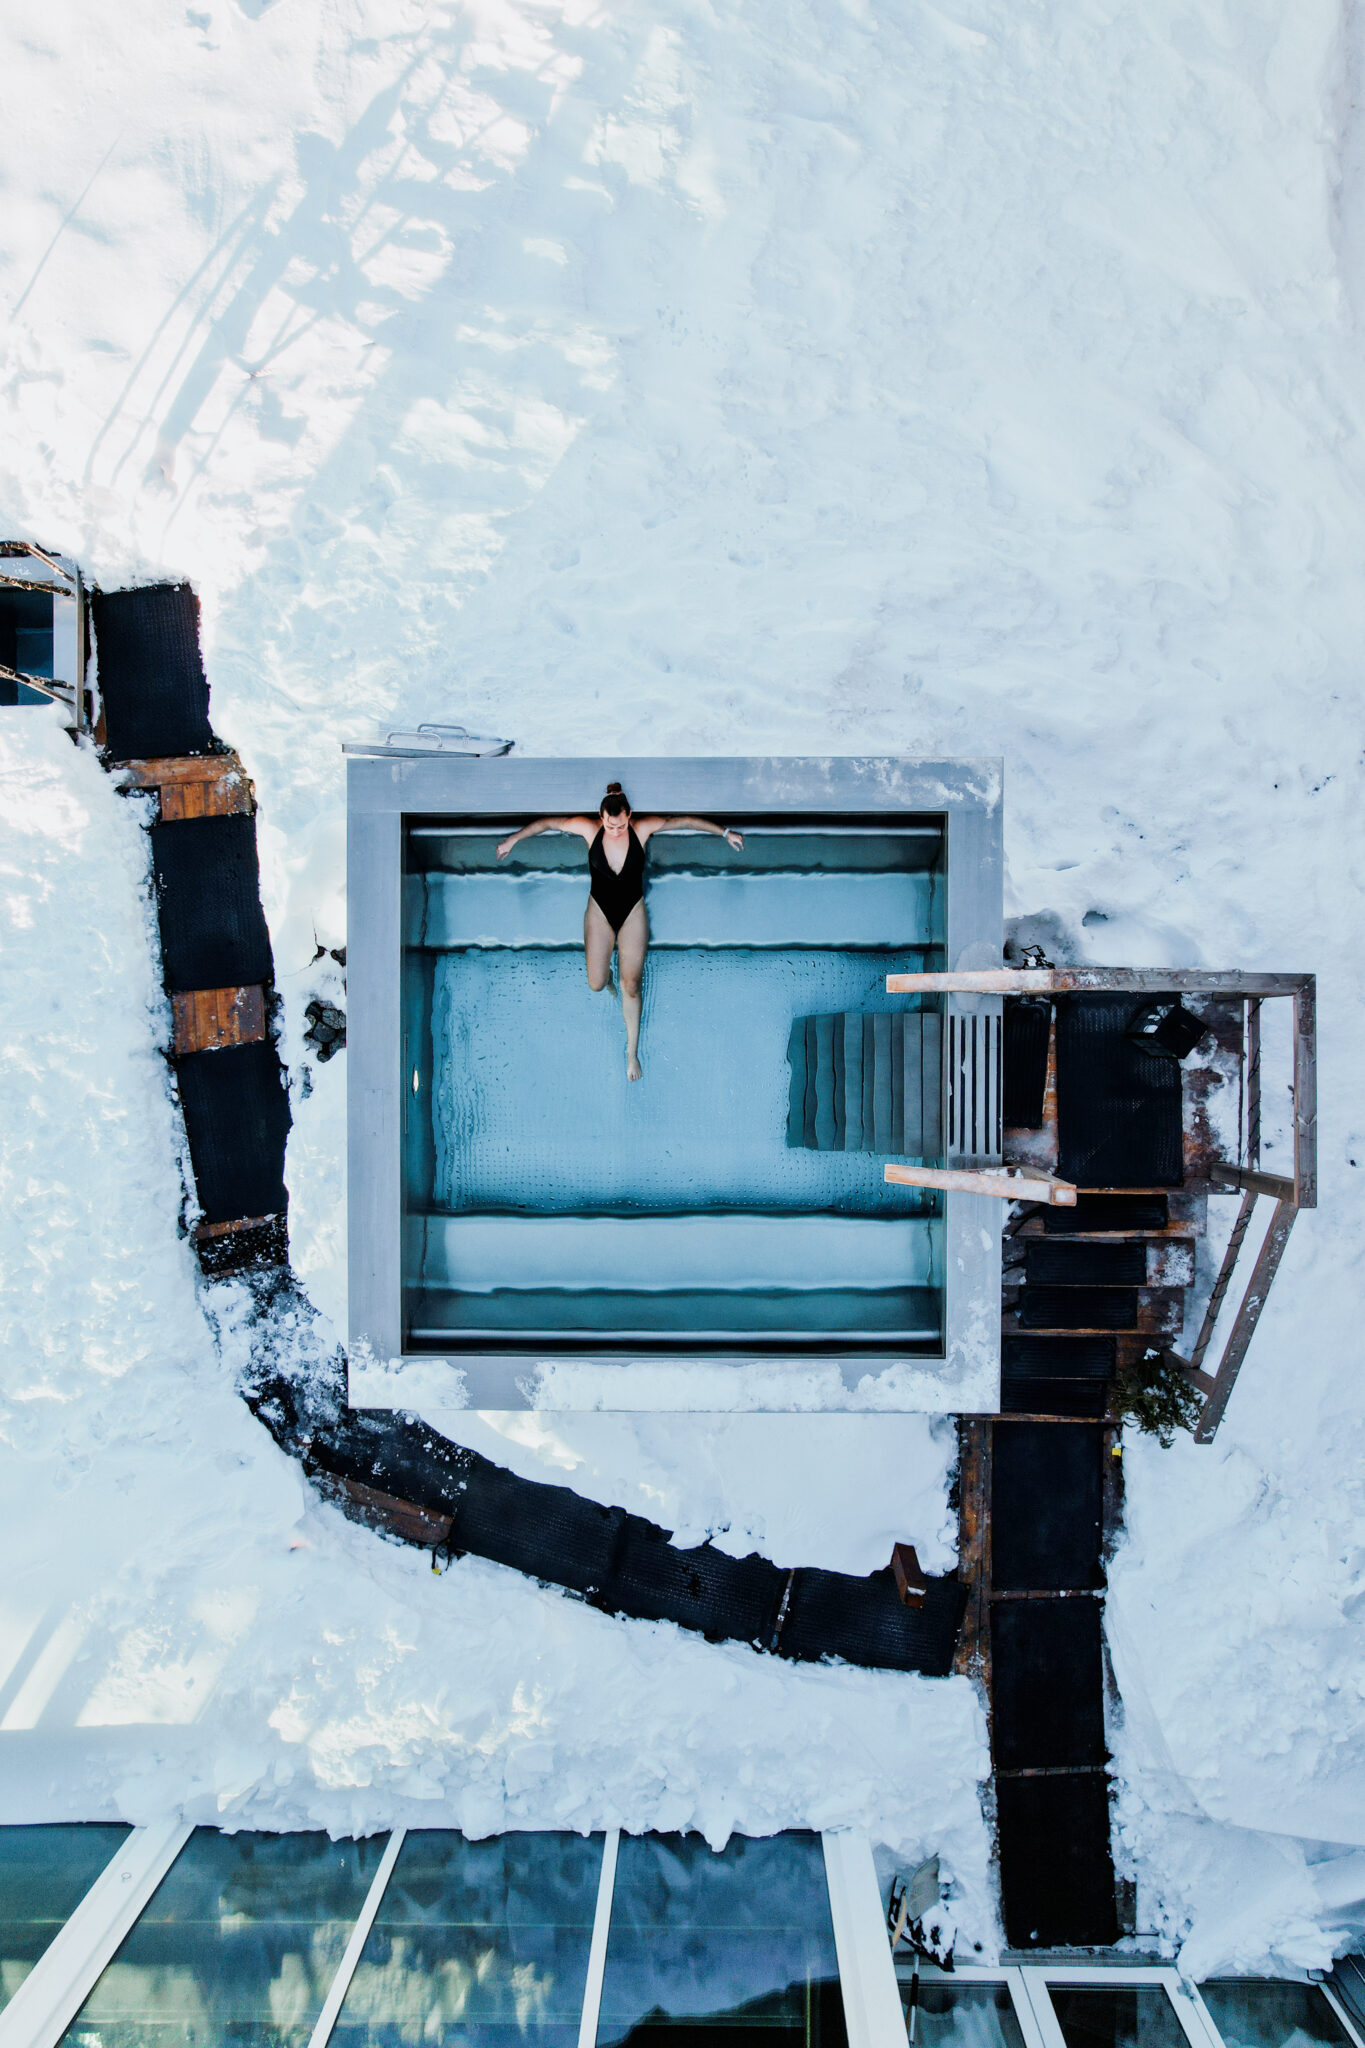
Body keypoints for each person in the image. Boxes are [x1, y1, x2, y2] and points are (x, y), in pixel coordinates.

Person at [496, 783, 744, 1080]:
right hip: (600, 911)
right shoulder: (590, 831)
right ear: (601, 817)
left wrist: (725, 833)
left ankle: (631, 1053)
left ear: (630, 816)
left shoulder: (641, 830)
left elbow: (685, 821)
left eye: (621, 825)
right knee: (596, 983)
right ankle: (609, 975)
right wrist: (513, 839)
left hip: (632, 911)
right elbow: (548, 823)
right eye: (610, 825)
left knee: (632, 985)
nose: (615, 831)